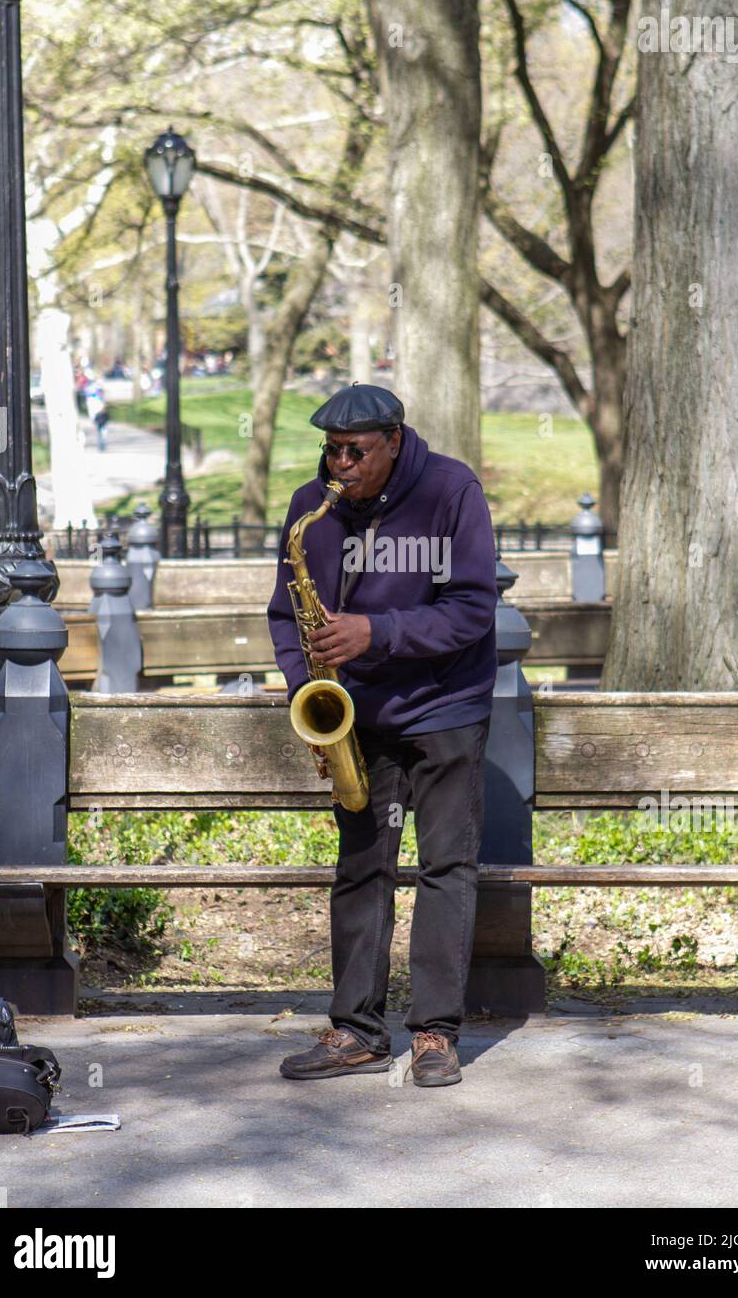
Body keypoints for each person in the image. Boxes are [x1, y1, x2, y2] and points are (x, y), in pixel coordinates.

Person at [267, 383, 498, 1087]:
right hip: (358, 717)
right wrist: (308, 691)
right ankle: (358, 1031)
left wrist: (377, 632)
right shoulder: (313, 506)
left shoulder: (453, 491)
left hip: (445, 707)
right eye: (332, 451)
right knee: (361, 869)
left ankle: (434, 1033)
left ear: (394, 440)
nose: (341, 465)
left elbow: (473, 608)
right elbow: (286, 616)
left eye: (356, 452)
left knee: (444, 868)